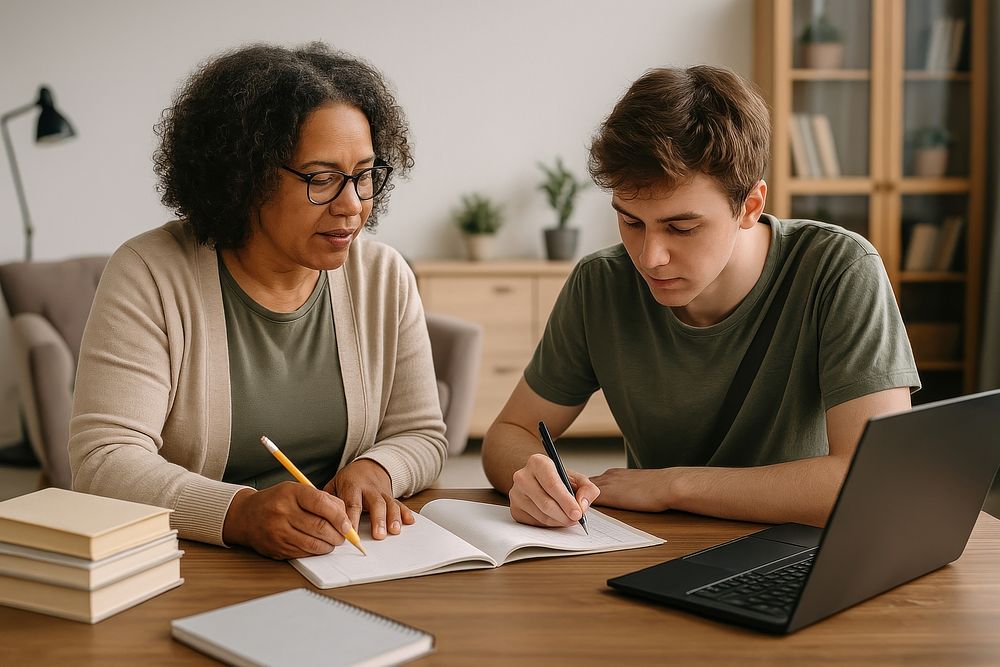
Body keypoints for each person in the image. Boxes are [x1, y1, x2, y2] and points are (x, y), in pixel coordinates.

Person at [482, 65, 919, 530]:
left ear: (750, 206)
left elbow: (874, 480)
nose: (650, 257)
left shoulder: (839, 269)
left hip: (799, 552)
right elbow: (508, 434)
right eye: (631, 221)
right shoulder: (600, 283)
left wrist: (672, 485)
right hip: (652, 549)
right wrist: (530, 477)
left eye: (681, 227)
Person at [69, 43, 447, 560]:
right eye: (322, 178)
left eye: (363, 175)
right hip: (192, 562)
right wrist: (238, 514)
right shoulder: (149, 273)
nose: (352, 204)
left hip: (340, 559)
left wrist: (378, 468)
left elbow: (421, 434)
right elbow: (104, 460)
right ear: (245, 177)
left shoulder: (383, 276)